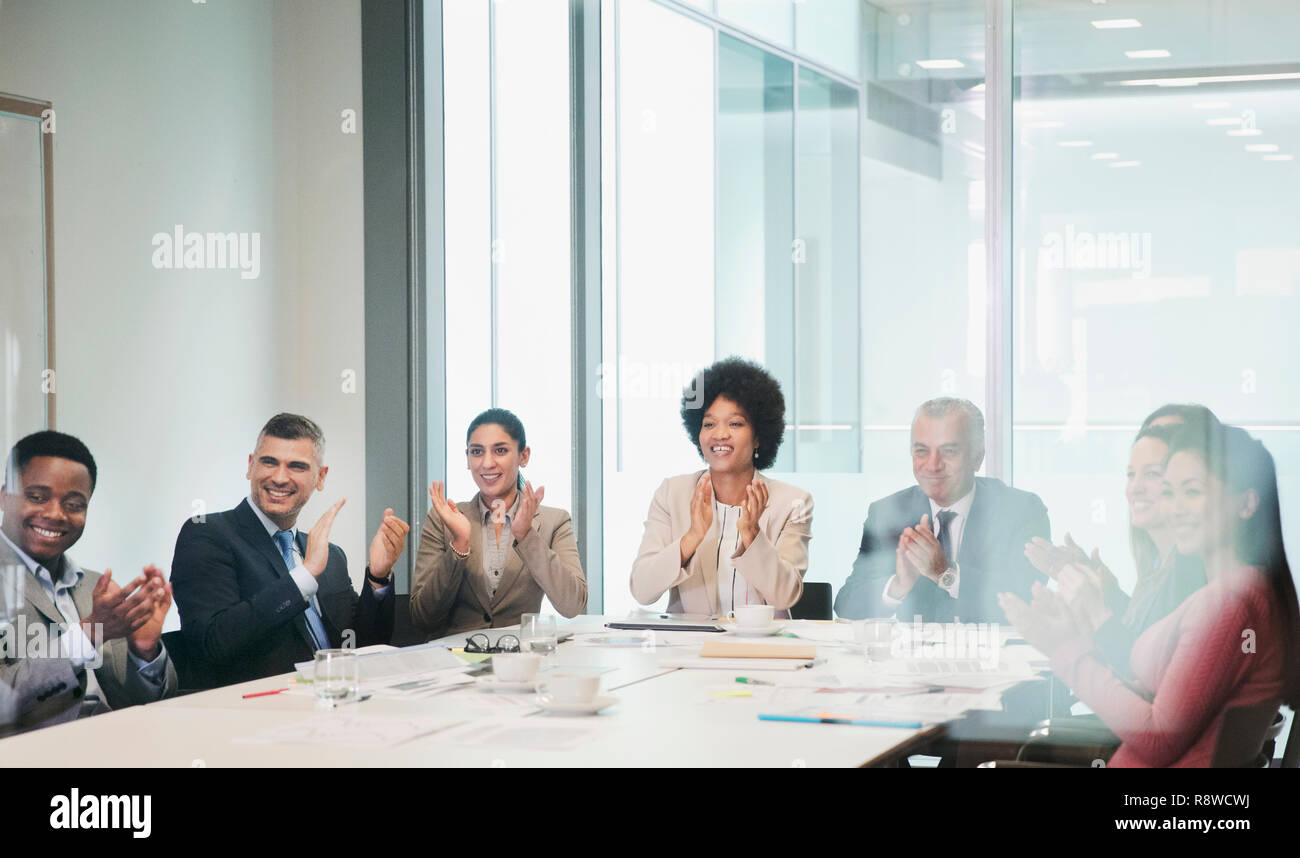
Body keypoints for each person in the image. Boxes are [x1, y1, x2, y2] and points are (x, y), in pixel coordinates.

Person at [1001, 423, 1300, 767]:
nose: (1175, 508)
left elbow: (1158, 738)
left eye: (1192, 492)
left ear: (1246, 503)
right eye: (1170, 493)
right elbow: (1169, 707)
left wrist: (1066, 649)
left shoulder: (1233, 603)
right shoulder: (1235, 593)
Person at [171, 414, 407, 687]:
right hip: (253, 712)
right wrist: (304, 576)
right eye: (269, 462)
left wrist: (378, 577)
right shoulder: (206, 534)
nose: (280, 478)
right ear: (250, 466)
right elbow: (213, 643)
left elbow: (362, 647)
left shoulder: (330, 556)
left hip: (334, 706)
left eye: (296, 466)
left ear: (321, 477)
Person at [1025, 406, 1220, 678]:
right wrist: (1106, 593)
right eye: (1131, 474)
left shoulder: (1195, 567)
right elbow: (1146, 634)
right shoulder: (1161, 561)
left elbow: (1146, 677)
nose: (1135, 487)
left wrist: (1095, 612)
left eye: (1153, 472)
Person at [0, 431, 176, 733]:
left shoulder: (96, 587)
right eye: (37, 497)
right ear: (4, 495)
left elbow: (139, 702)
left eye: (73, 504)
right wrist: (88, 634)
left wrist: (144, 652)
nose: (55, 514)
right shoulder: (100, 616)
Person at [835, 397, 1048, 622]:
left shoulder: (1021, 511)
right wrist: (898, 585)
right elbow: (847, 605)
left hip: (992, 654)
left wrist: (945, 573)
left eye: (949, 451)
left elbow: (1025, 601)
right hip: (911, 656)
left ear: (977, 458)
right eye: (921, 451)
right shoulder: (888, 512)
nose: (933, 465)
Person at [631, 358, 812, 616]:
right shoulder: (672, 493)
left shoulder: (793, 502)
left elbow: (785, 595)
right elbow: (642, 589)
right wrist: (692, 537)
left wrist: (752, 537)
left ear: (759, 435)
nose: (720, 434)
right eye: (709, 424)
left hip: (765, 650)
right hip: (691, 649)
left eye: (735, 423)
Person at [411, 409, 586, 640]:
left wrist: (526, 536)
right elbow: (423, 617)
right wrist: (459, 545)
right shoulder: (444, 519)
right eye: (476, 452)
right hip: (455, 662)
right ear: (467, 458)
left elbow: (573, 605)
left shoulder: (555, 521)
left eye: (500, 450)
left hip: (521, 664)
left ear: (523, 456)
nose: (487, 463)